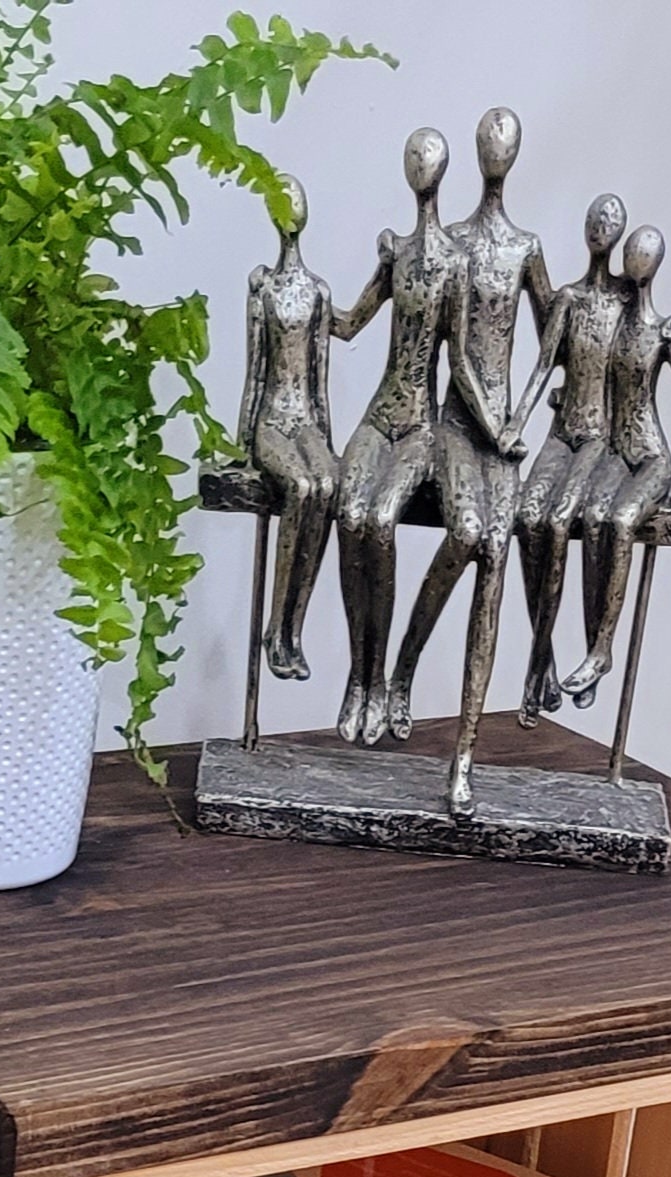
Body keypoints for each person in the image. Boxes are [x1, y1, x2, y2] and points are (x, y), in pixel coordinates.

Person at [383, 107, 555, 814]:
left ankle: (464, 756)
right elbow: (447, 358)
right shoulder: (450, 244)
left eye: (502, 144)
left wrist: (533, 410)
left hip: (504, 435)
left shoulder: (526, 249)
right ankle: (403, 667)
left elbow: (555, 338)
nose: (494, 153)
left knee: (495, 571)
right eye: (487, 142)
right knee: (467, 535)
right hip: (457, 425)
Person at [331, 129, 495, 751]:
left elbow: (461, 365)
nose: (418, 170)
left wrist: (496, 431)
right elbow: (351, 323)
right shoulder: (395, 252)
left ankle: (381, 678)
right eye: (412, 161)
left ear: (440, 172)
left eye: (425, 162)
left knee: (379, 522)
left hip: (420, 427)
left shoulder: (455, 263)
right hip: (379, 414)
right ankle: (361, 675)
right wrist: (301, 304)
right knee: (350, 515)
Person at [558, 222, 671, 706]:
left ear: (652, 268)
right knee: (592, 517)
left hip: (650, 457)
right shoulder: (612, 323)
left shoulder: (662, 332)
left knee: (622, 521)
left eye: (641, 258)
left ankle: (601, 650)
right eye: (631, 256)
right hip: (615, 454)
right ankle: (593, 653)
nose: (632, 265)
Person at [506, 192, 630, 726]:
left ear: (619, 233)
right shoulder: (568, 300)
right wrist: (517, 422)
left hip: (600, 438)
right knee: (527, 516)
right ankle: (545, 659)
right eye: (594, 221)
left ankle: (559, 661)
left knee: (558, 522)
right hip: (562, 434)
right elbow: (542, 368)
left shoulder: (626, 302)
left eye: (610, 222)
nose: (600, 228)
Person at [235, 175, 339, 682]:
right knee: (299, 486)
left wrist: (328, 443)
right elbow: (256, 371)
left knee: (326, 484)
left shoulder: (319, 292)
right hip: (272, 420)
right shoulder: (264, 289)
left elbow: (319, 379)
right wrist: (242, 443)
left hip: (306, 420)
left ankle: (294, 629)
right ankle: (275, 627)